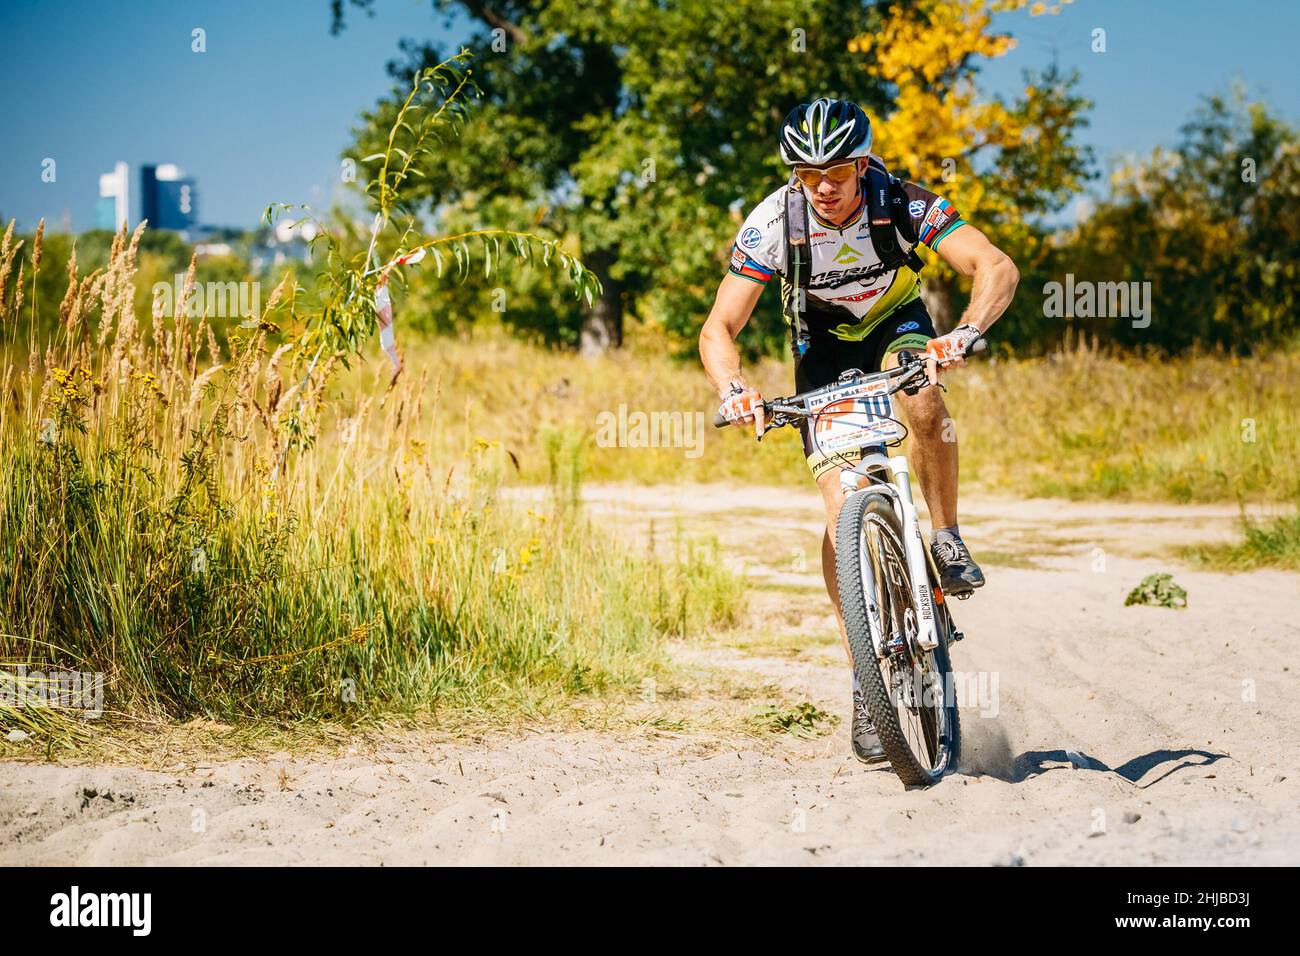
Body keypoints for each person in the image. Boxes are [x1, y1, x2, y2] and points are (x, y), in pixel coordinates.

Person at [699, 97, 1019, 763]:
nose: (823, 187)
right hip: (820, 348)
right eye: (808, 173)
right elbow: (718, 328)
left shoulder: (900, 202)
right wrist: (734, 389)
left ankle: (948, 536)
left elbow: (995, 265)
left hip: (896, 326)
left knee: (924, 400)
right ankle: (864, 681)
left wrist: (965, 331)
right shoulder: (772, 223)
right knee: (842, 508)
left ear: (863, 163)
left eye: (838, 172)